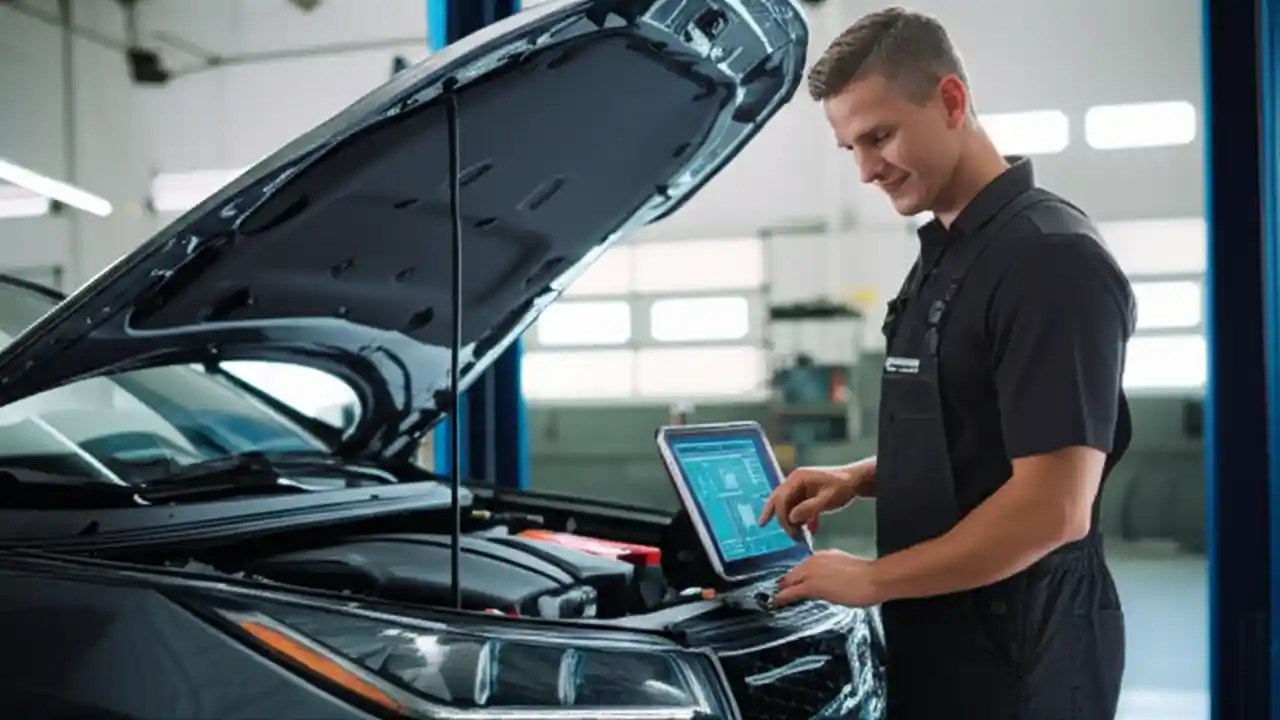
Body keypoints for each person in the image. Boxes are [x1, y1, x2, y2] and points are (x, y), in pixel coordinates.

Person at [758, 7, 1134, 719]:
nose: (867, 170)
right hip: (941, 638)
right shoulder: (949, 255)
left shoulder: (1050, 260)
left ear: (951, 101)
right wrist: (861, 477)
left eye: (880, 136)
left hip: (1025, 657)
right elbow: (977, 439)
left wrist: (872, 580)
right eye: (851, 149)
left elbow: (1053, 508)